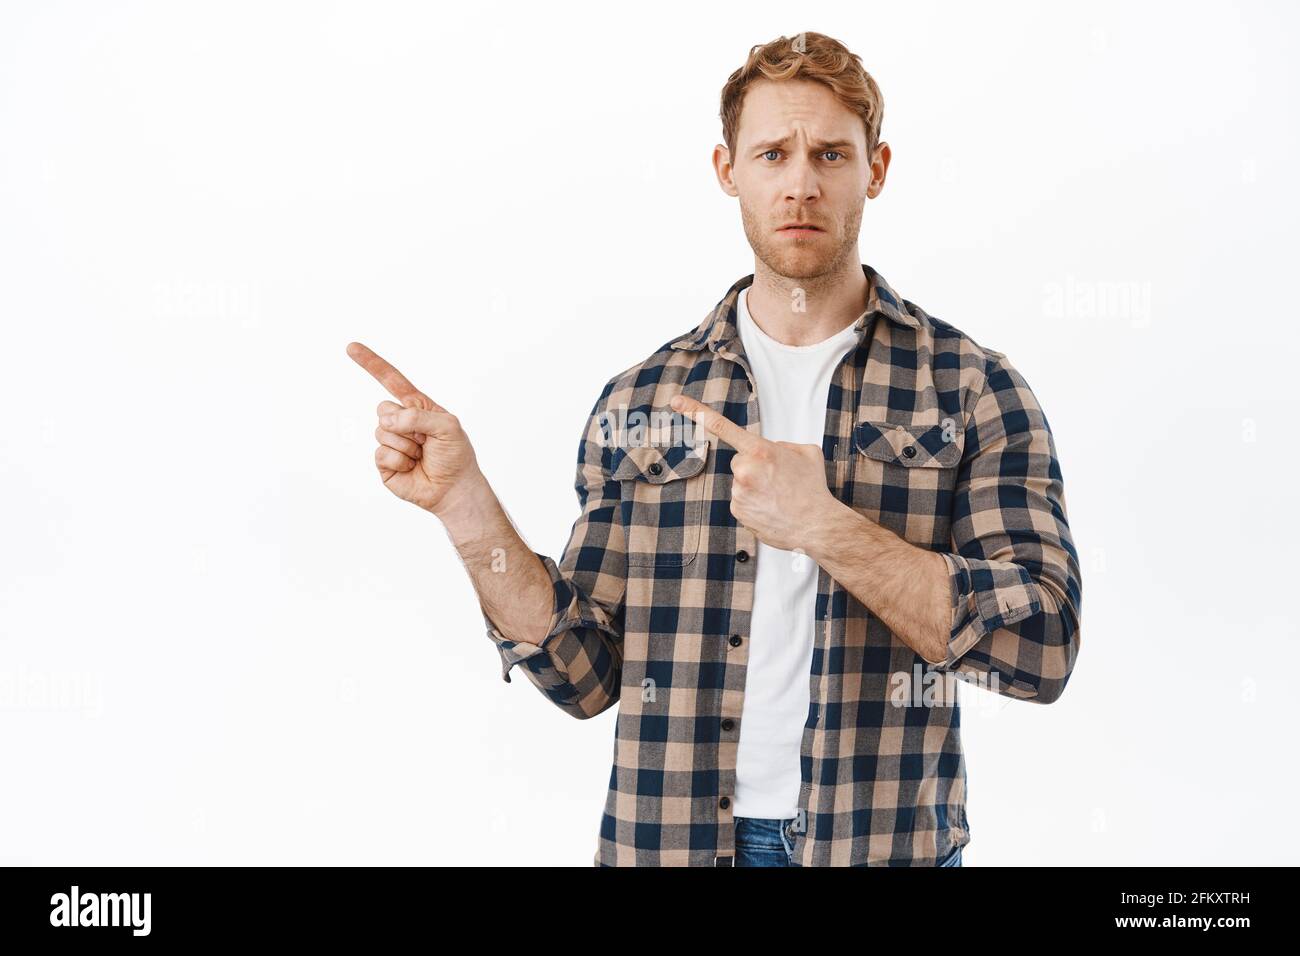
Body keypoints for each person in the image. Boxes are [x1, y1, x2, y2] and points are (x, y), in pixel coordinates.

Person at [348, 31, 1082, 867]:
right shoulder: (642, 400)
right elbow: (583, 674)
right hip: (668, 847)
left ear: (876, 171)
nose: (801, 183)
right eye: (772, 153)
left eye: (831, 155)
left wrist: (824, 526)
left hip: (880, 849)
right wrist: (464, 504)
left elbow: (1044, 649)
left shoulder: (973, 389)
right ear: (727, 170)